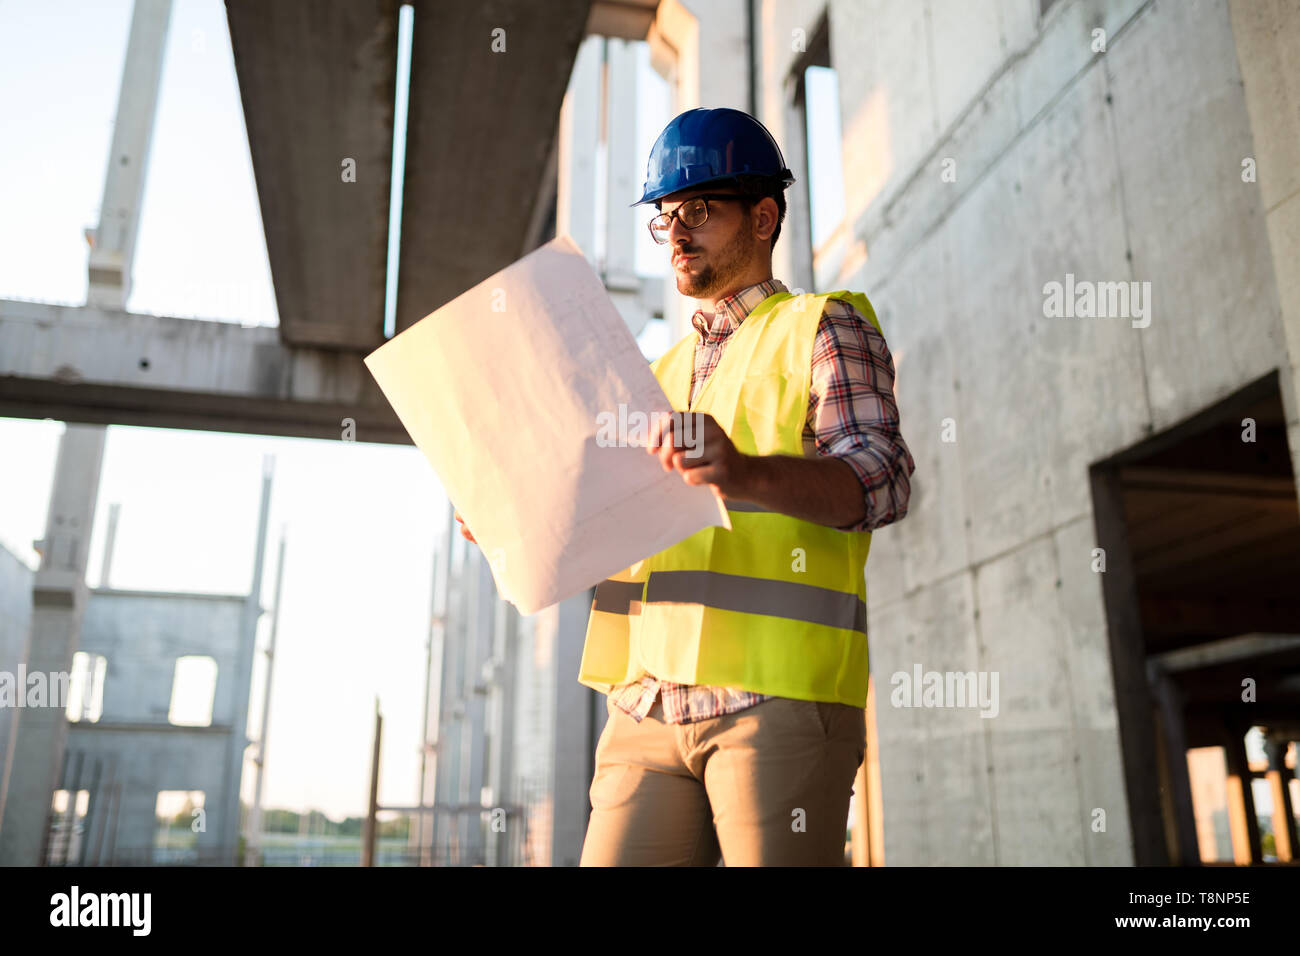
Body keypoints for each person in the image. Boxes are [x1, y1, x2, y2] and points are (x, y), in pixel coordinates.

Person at [459, 107, 915, 866]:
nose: (675, 231)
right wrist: (518, 517)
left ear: (763, 216)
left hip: (775, 703)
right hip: (645, 705)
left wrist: (746, 471)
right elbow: (615, 531)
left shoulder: (822, 327)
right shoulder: (652, 377)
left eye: (699, 209)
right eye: (665, 215)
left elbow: (884, 480)